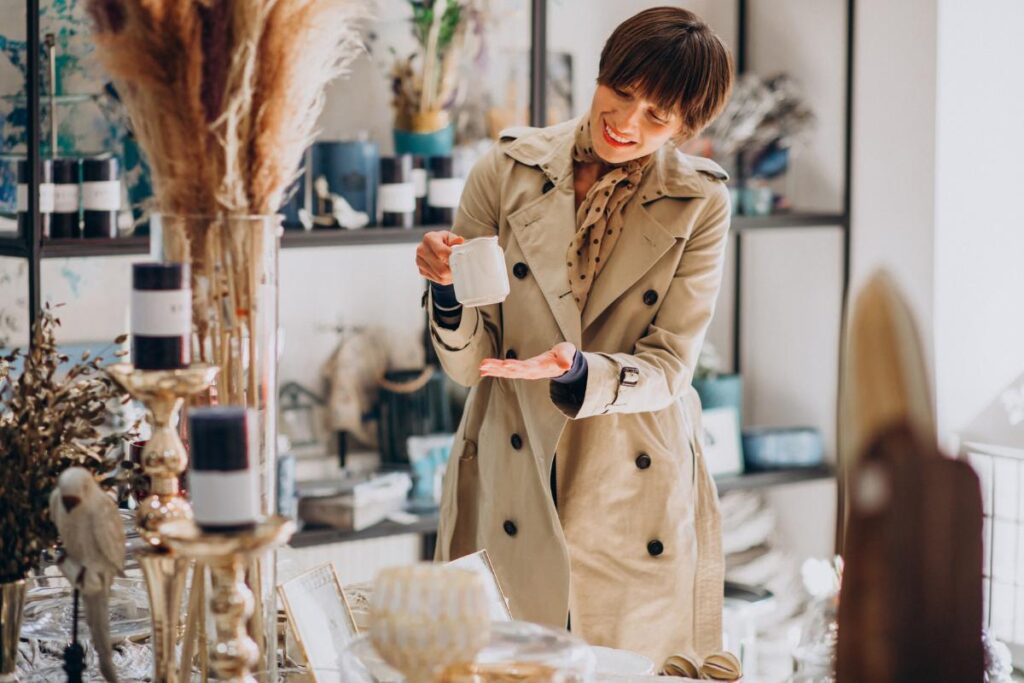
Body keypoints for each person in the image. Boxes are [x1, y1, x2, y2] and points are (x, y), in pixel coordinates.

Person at [415, 6, 734, 665]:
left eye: (656, 116)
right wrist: (446, 289)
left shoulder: (701, 203)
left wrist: (582, 373)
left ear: (685, 128)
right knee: (503, 666)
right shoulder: (504, 171)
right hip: (511, 454)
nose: (627, 122)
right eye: (621, 92)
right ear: (602, 72)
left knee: (623, 665)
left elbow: (671, 363)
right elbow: (471, 363)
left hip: (631, 477)